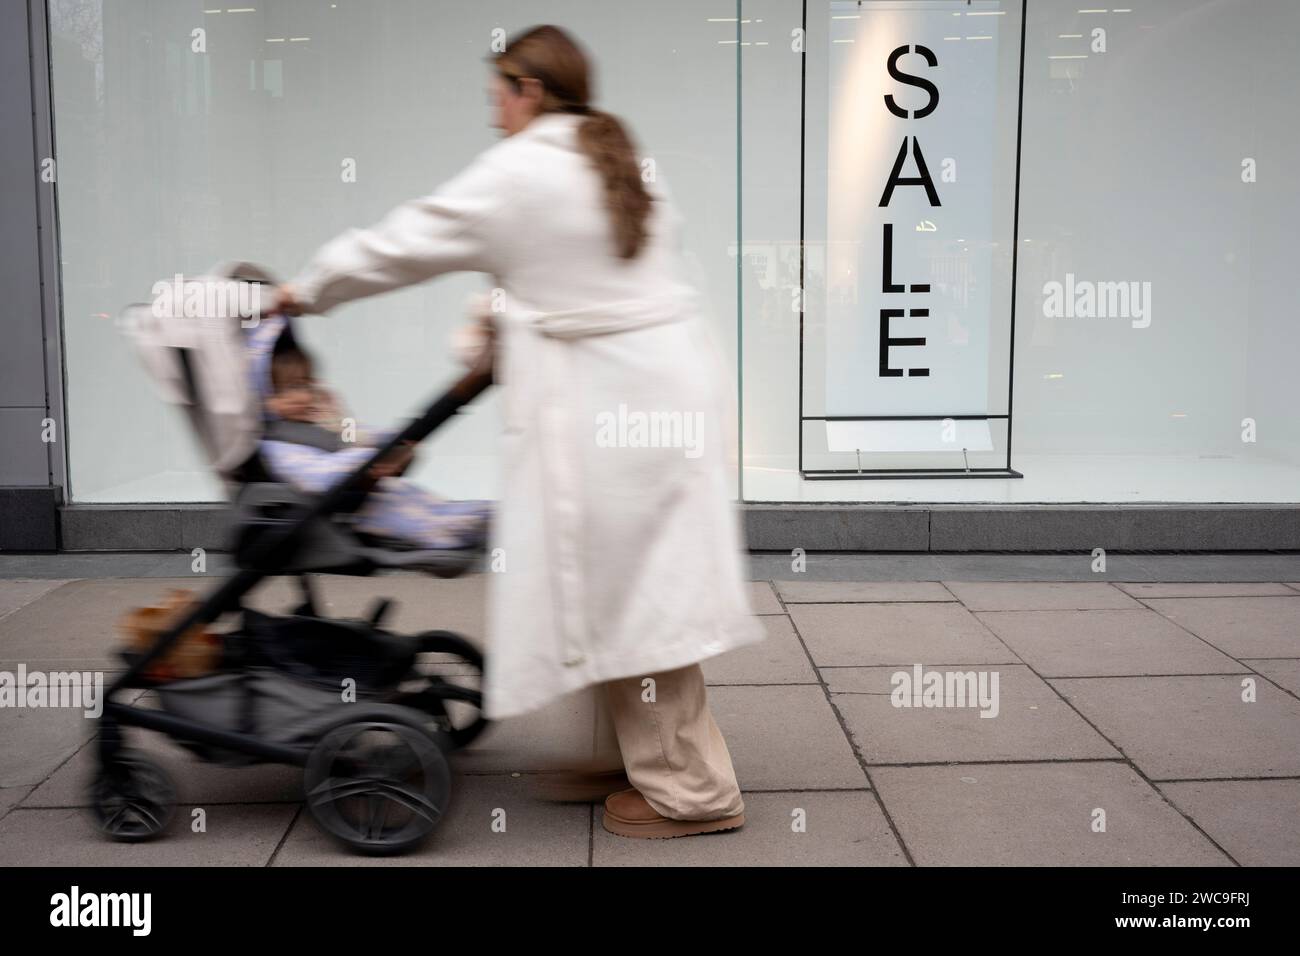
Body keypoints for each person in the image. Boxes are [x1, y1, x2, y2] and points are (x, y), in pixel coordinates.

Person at [271, 24, 763, 838]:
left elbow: (404, 241)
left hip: (616, 418)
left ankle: (695, 792)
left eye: (496, 94)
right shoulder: (616, 159)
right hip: (659, 397)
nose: (491, 113)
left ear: (527, 90)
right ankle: (624, 758)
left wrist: (303, 292)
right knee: (619, 591)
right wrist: (491, 337)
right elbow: (564, 281)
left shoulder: (523, 170)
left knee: (642, 601)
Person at [249, 314, 489, 551]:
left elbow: (361, 436)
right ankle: (443, 530)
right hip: (347, 508)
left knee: (409, 495)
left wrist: (396, 442)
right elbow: (318, 476)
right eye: (288, 389)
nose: (303, 396)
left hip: (366, 491)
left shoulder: (319, 425)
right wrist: (368, 459)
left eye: (306, 385)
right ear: (261, 398)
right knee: (398, 510)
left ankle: (458, 516)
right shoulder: (277, 446)